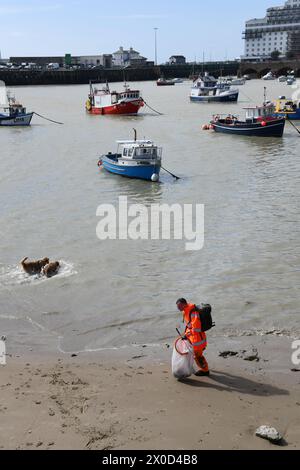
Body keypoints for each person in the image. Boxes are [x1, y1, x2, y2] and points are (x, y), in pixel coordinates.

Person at [176, 298, 210, 377]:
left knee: (198, 356)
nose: (178, 308)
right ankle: (204, 367)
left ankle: (205, 371)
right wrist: (186, 334)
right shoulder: (186, 311)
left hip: (198, 339)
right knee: (197, 355)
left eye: (179, 306)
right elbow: (189, 325)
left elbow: (196, 328)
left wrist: (187, 334)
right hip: (193, 338)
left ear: (184, 304)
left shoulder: (193, 312)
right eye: (177, 307)